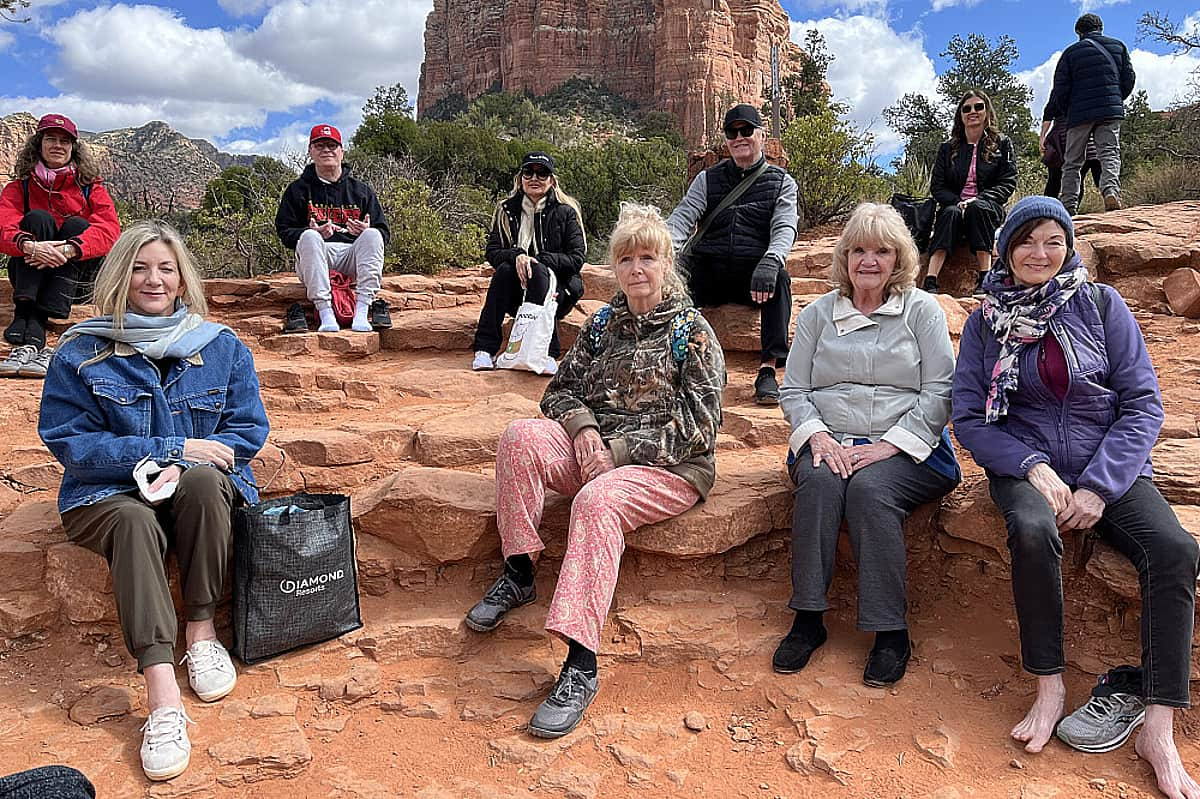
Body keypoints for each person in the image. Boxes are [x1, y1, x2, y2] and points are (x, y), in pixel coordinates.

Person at [952, 196, 1199, 799]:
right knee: (1033, 531)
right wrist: (1032, 467)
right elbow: (970, 419)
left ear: (1067, 248)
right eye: (1027, 242)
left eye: (1052, 242)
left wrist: (1098, 485)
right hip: (1024, 466)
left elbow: (1142, 403)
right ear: (1007, 250)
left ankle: (1159, 729)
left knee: (1173, 550)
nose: (1040, 254)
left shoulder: (1099, 304)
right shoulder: (989, 320)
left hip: (1107, 468)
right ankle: (1050, 685)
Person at [464, 202, 725, 738]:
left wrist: (618, 453)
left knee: (597, 500)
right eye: (626, 258)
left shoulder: (692, 333)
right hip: (597, 449)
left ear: (666, 263)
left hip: (670, 466)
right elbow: (560, 390)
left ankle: (581, 665)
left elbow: (699, 428)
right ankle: (518, 573)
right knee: (519, 439)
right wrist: (584, 432)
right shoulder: (604, 322)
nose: (636, 269)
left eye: (647, 257)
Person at [38, 221, 270, 781]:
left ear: (183, 279)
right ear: (120, 276)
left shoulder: (220, 347)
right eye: (140, 267)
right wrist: (166, 447)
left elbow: (245, 431)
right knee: (134, 519)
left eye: (166, 268)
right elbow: (72, 443)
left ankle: (202, 629)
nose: (154, 279)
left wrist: (185, 460)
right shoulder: (82, 353)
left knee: (205, 482)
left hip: (193, 484)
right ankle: (163, 693)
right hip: (106, 490)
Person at [774, 203, 960, 685]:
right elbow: (793, 389)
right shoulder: (818, 314)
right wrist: (816, 435)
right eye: (858, 249)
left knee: (869, 490)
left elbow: (941, 390)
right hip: (829, 439)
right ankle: (809, 618)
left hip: (907, 448)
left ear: (899, 257)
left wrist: (890, 445)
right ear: (845, 256)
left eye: (881, 250)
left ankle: (890, 630)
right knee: (818, 482)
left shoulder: (921, 311)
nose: (869, 261)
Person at [667, 103, 797, 406]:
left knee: (780, 280)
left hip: (753, 275)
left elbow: (785, 227)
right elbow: (682, 218)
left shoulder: (781, 183)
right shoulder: (707, 179)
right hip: (708, 268)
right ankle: (675, 364)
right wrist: (666, 254)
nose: (739, 137)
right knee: (669, 280)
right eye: (732, 132)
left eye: (746, 130)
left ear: (762, 136)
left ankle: (767, 371)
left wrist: (771, 260)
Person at [0, 114, 119, 378]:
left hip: (75, 282)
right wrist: (32, 247)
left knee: (77, 225)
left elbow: (110, 230)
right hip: (31, 270)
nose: (58, 145)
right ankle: (25, 314)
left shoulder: (91, 188)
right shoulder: (20, 188)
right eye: (50, 139)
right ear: (38, 144)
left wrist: (68, 249)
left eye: (65, 141)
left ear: (73, 148)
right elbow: (4, 227)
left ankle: (36, 320)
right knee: (36, 219)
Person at [470, 152, 586, 374]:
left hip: (558, 292)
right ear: (520, 178)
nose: (535, 178)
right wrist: (517, 256)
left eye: (542, 173)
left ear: (552, 180)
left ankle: (548, 353)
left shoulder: (566, 212)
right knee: (504, 270)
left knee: (539, 272)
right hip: (516, 294)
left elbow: (577, 258)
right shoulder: (506, 211)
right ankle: (484, 350)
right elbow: (493, 252)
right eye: (528, 172)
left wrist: (538, 261)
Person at [275, 123, 392, 334]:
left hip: (351, 256)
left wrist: (365, 230)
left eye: (332, 145)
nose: (326, 150)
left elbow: (384, 233)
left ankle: (362, 311)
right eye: (320, 146)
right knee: (309, 237)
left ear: (342, 151)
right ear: (310, 151)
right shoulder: (297, 190)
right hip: (317, 258)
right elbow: (284, 231)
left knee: (373, 235)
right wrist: (310, 233)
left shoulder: (361, 191)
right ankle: (326, 313)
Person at [922, 90, 1017, 297]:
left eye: (978, 107)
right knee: (949, 214)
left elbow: (1008, 182)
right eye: (966, 108)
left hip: (987, 205)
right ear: (960, 115)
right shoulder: (948, 148)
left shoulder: (1001, 144)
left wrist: (980, 198)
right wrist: (957, 202)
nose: (972, 112)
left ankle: (985, 277)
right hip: (954, 205)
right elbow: (937, 186)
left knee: (977, 209)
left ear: (986, 111)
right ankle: (930, 280)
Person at [1046, 13, 1135, 215]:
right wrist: (1115, 98)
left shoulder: (1070, 53)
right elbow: (1128, 78)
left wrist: (1067, 110)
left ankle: (1068, 205)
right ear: (1100, 28)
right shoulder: (1118, 46)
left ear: (1079, 32)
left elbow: (1060, 87)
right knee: (1109, 153)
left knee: (1073, 161)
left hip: (1079, 114)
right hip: (1109, 109)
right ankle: (1111, 191)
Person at [1040, 111, 1101, 201]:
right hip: (1086, 138)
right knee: (1078, 179)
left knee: (1055, 180)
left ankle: (1051, 209)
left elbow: (1048, 114)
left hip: (1063, 139)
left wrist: (1042, 136)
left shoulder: (1059, 97)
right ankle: (1070, 208)